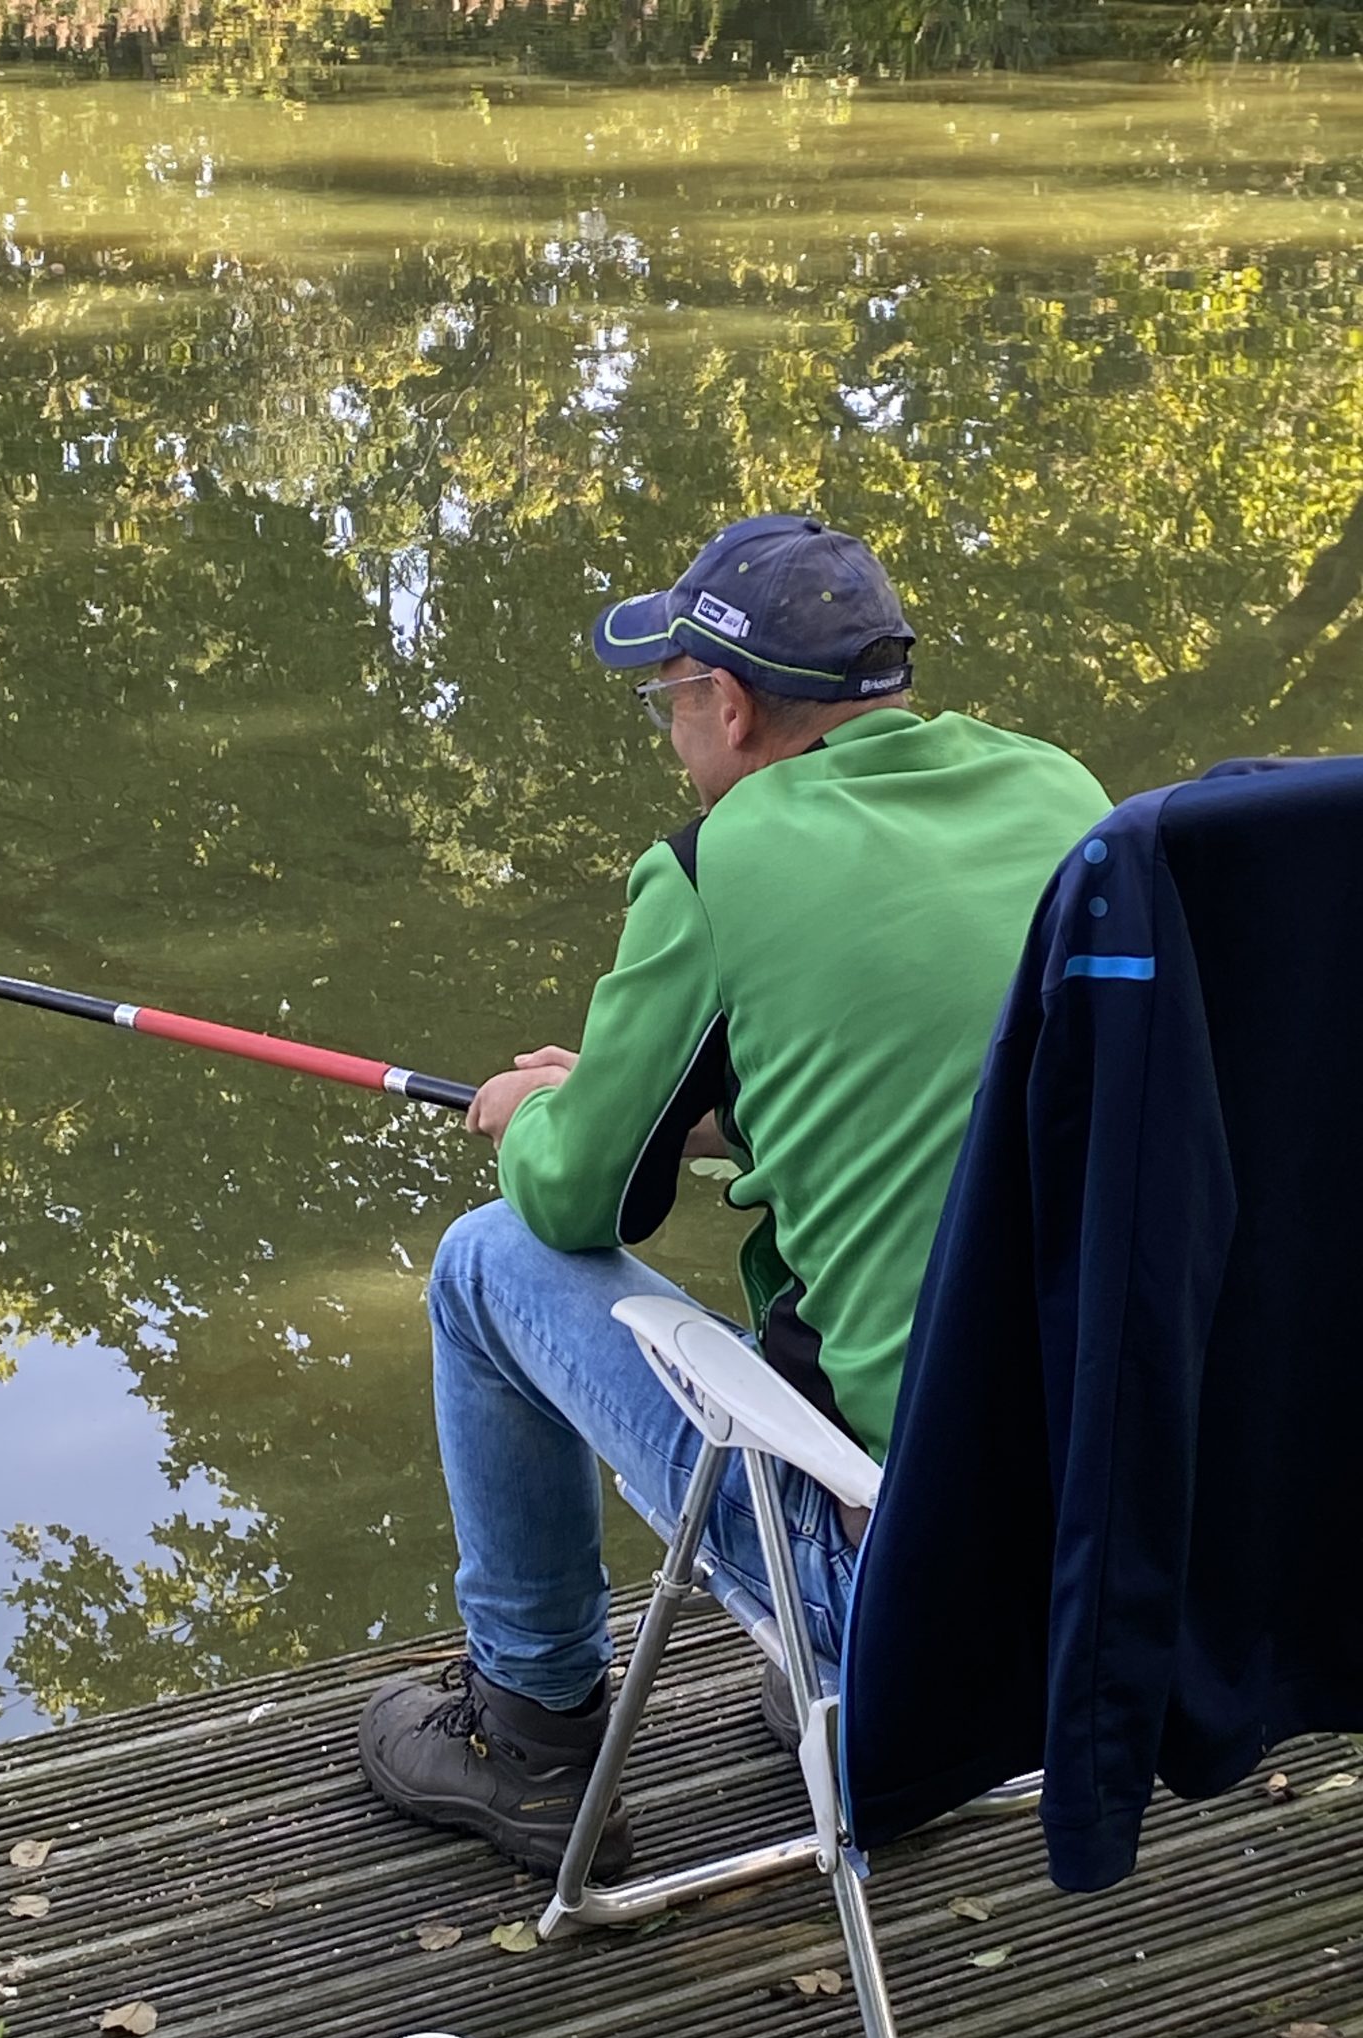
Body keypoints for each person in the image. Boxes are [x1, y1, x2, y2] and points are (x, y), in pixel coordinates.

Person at [357, 513, 1111, 1881]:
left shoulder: (719, 861)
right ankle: (857, 1682)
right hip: (1124, 1554)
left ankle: (526, 1743)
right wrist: (708, 1105)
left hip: (918, 1597)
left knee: (484, 1263)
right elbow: (971, 1084)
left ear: (729, 701)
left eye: (670, 701)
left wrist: (542, 1114)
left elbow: (583, 1203)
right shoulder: (1062, 798)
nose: (670, 732)